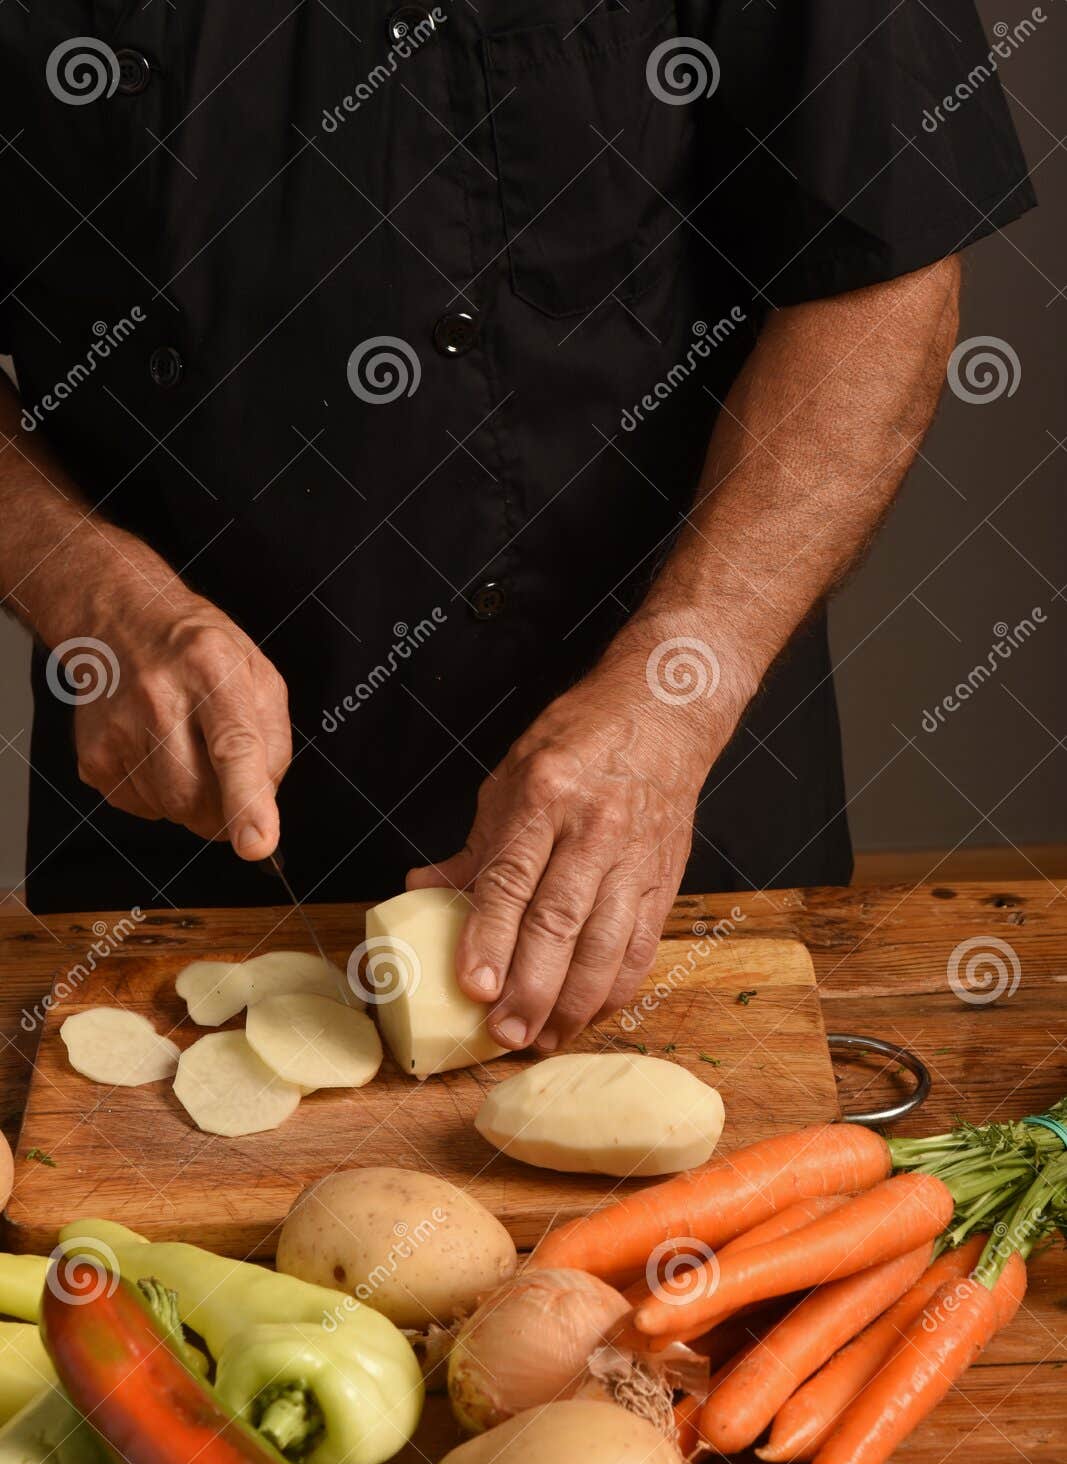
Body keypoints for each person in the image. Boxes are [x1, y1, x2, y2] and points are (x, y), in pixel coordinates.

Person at [0, 4, 1033, 1052]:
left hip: (662, 810)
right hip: (169, 850)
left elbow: (881, 263)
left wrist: (676, 691)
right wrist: (82, 585)